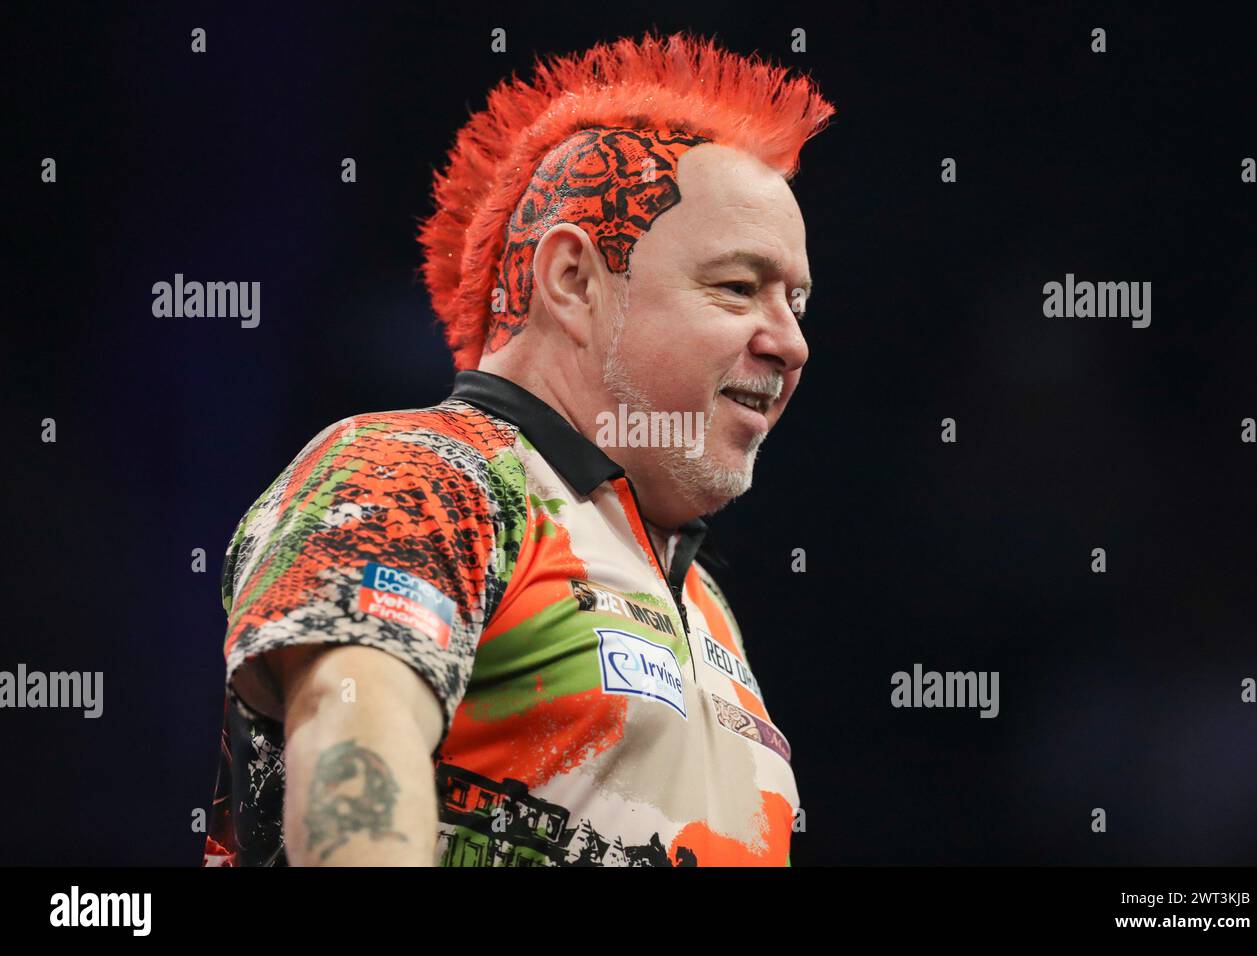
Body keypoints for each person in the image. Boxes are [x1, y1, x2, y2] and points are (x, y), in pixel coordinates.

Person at [203, 29, 834, 867]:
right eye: (738, 287)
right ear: (572, 280)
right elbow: (355, 781)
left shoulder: (702, 599)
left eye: (796, 302)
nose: (790, 343)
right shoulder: (420, 473)